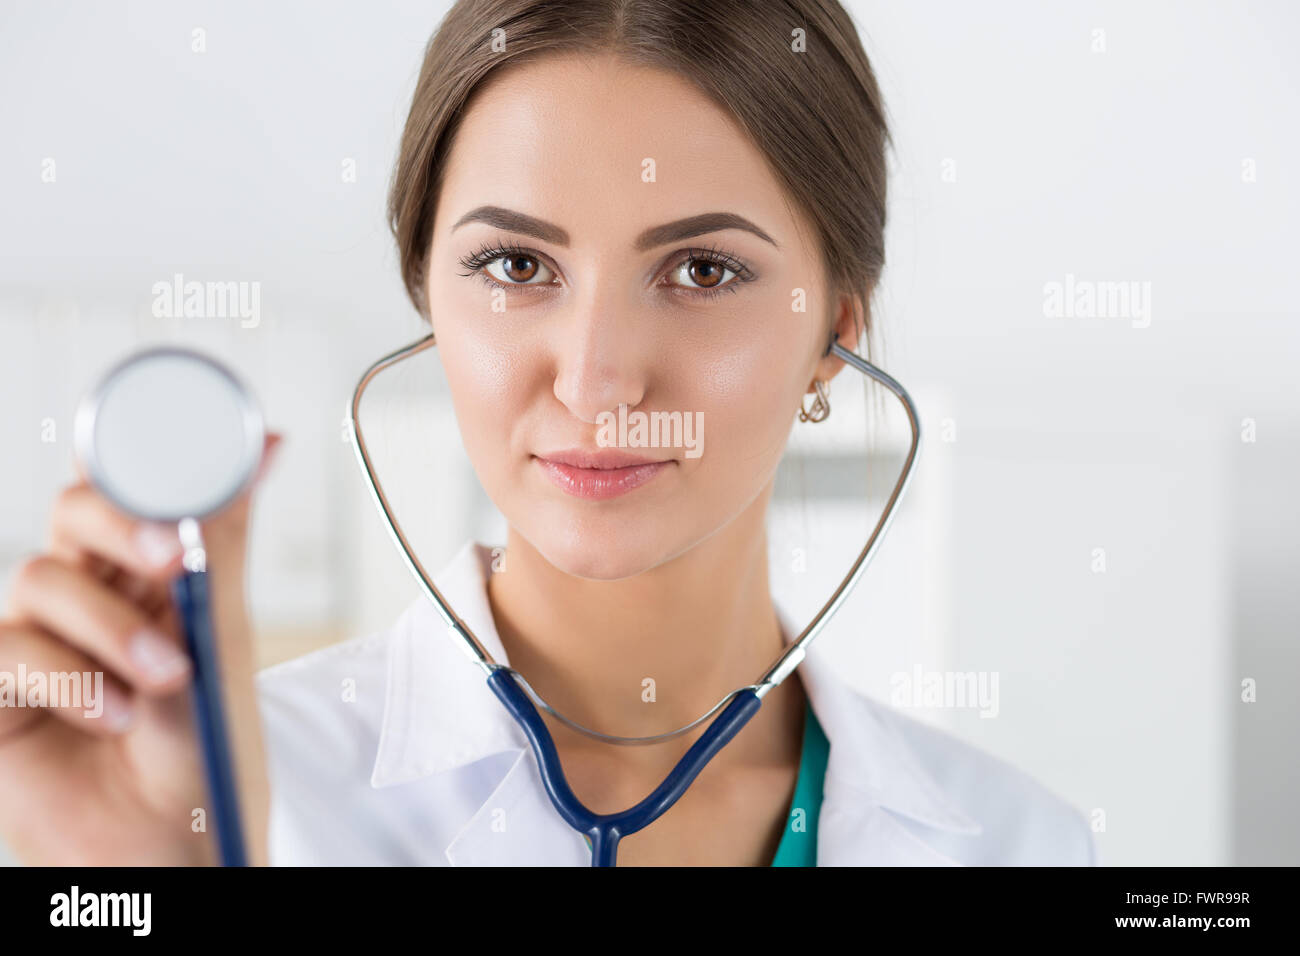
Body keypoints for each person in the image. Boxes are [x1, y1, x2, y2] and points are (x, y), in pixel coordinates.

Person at [0, 0, 1100, 866]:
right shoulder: (232, 797)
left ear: (834, 336)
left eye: (702, 270)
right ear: (430, 295)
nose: (596, 377)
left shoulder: (1019, 844)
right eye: (516, 266)